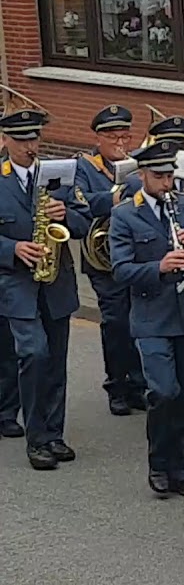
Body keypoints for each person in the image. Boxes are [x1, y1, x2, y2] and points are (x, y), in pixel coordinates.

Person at [109, 141, 184, 496]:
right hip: (151, 316)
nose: (168, 184)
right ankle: (158, 464)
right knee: (164, 392)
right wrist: (158, 267)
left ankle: (181, 468)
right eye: (159, 176)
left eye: (171, 175)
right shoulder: (125, 215)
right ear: (142, 175)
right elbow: (120, 270)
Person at [0, 107, 91, 470]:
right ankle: (37, 439)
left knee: (55, 360)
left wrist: (66, 214)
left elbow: (85, 223)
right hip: (15, 284)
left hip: (56, 282)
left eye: (34, 138)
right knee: (34, 354)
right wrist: (12, 248)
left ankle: (54, 434)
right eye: (21, 140)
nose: (29, 146)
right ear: (5, 140)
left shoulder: (58, 176)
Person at [74, 104, 148, 416]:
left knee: (140, 320)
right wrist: (115, 198)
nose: (121, 142)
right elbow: (80, 203)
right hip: (102, 259)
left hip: (136, 255)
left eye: (125, 136)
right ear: (99, 138)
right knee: (117, 322)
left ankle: (138, 384)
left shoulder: (137, 165)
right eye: (113, 137)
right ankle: (116, 385)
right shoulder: (84, 167)